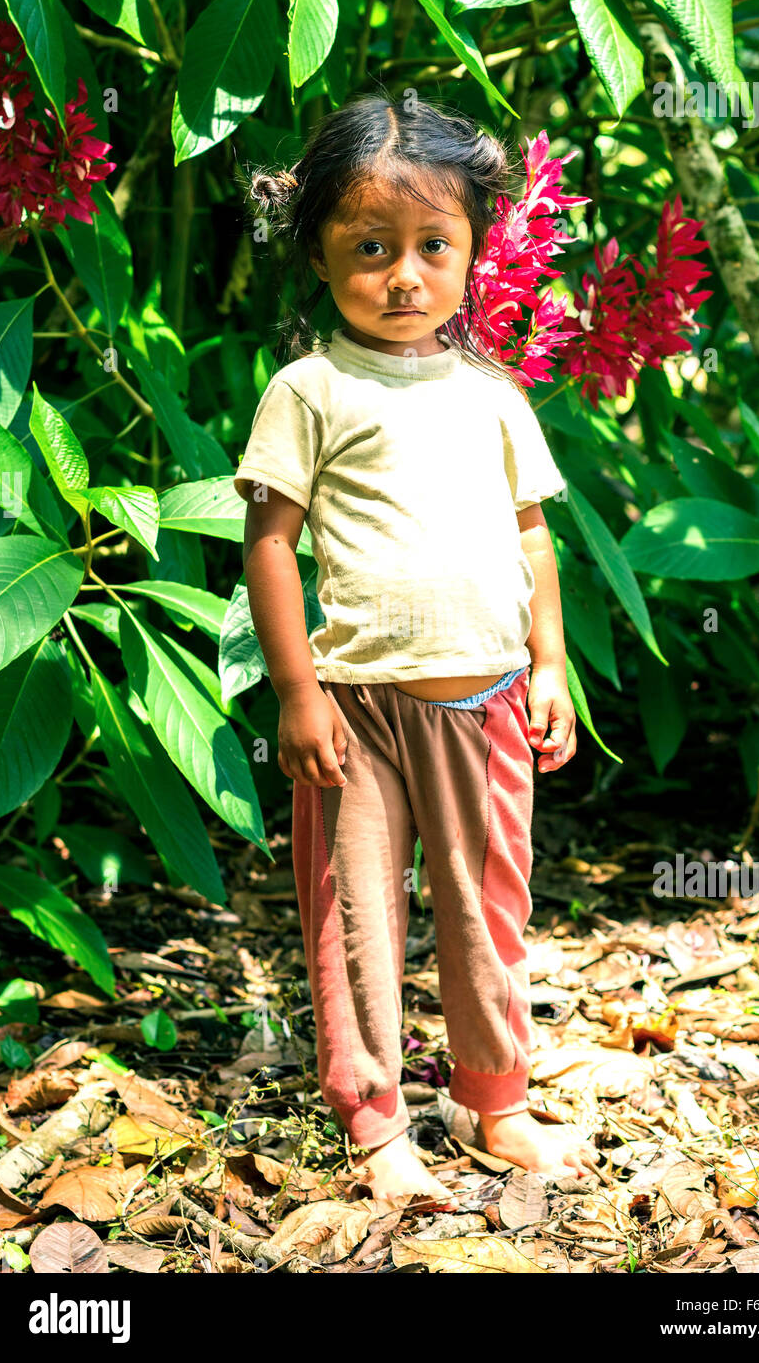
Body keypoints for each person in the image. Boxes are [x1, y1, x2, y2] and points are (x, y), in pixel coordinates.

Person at [235, 94, 598, 1210]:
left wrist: (546, 666)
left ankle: (494, 1099)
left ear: (473, 251)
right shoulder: (310, 391)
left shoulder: (492, 398)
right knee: (356, 914)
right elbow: (272, 543)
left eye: (432, 246)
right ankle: (374, 1117)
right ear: (319, 256)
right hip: (353, 710)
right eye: (369, 249)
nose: (404, 274)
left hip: (484, 703)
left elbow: (531, 532)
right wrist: (295, 693)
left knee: (488, 905)